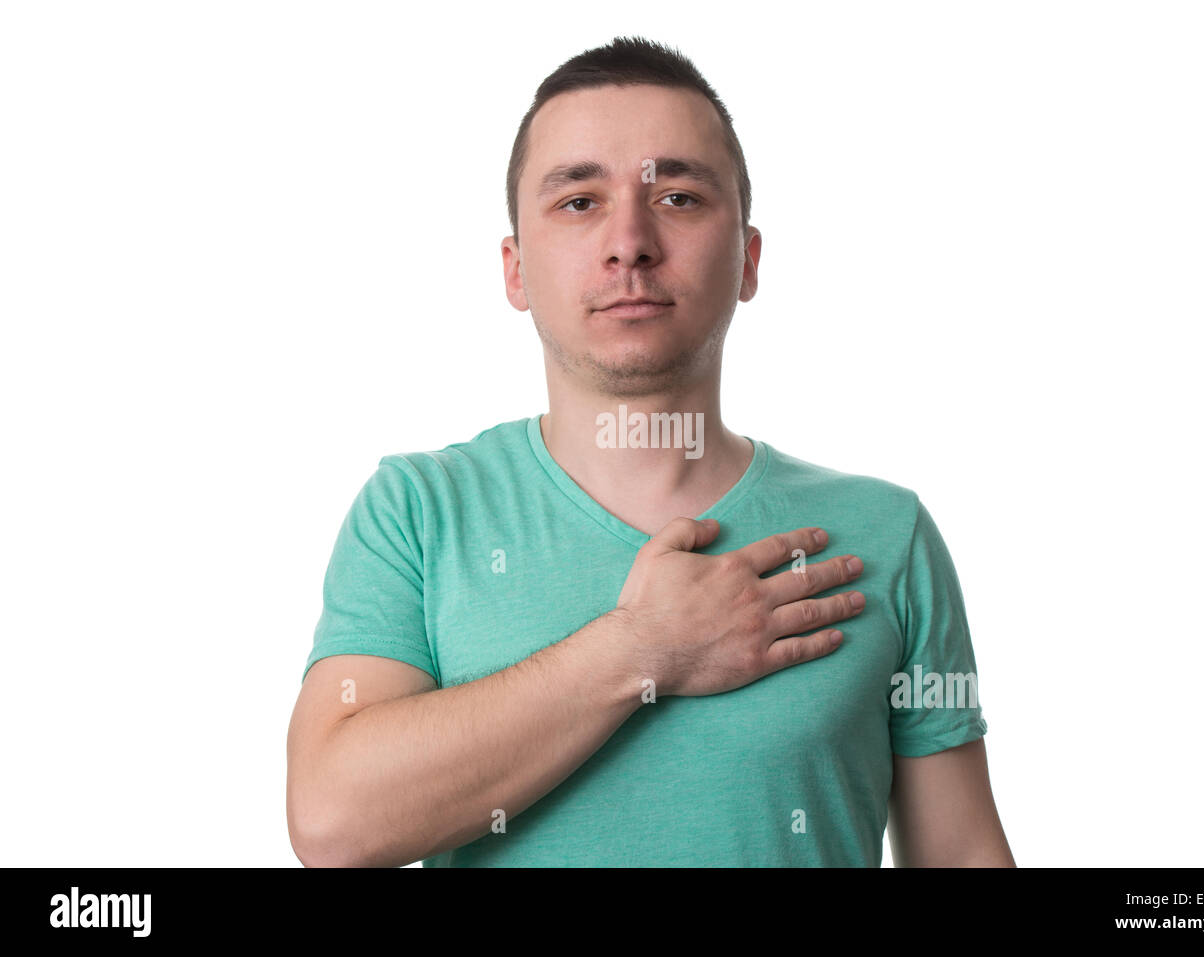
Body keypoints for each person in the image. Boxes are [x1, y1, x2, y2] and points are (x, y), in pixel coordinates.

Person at [287, 35, 1014, 868]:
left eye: (676, 197)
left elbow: (959, 853)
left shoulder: (888, 535)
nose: (629, 242)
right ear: (515, 270)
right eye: (578, 201)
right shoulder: (415, 512)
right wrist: (643, 647)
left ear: (747, 258)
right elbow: (334, 821)